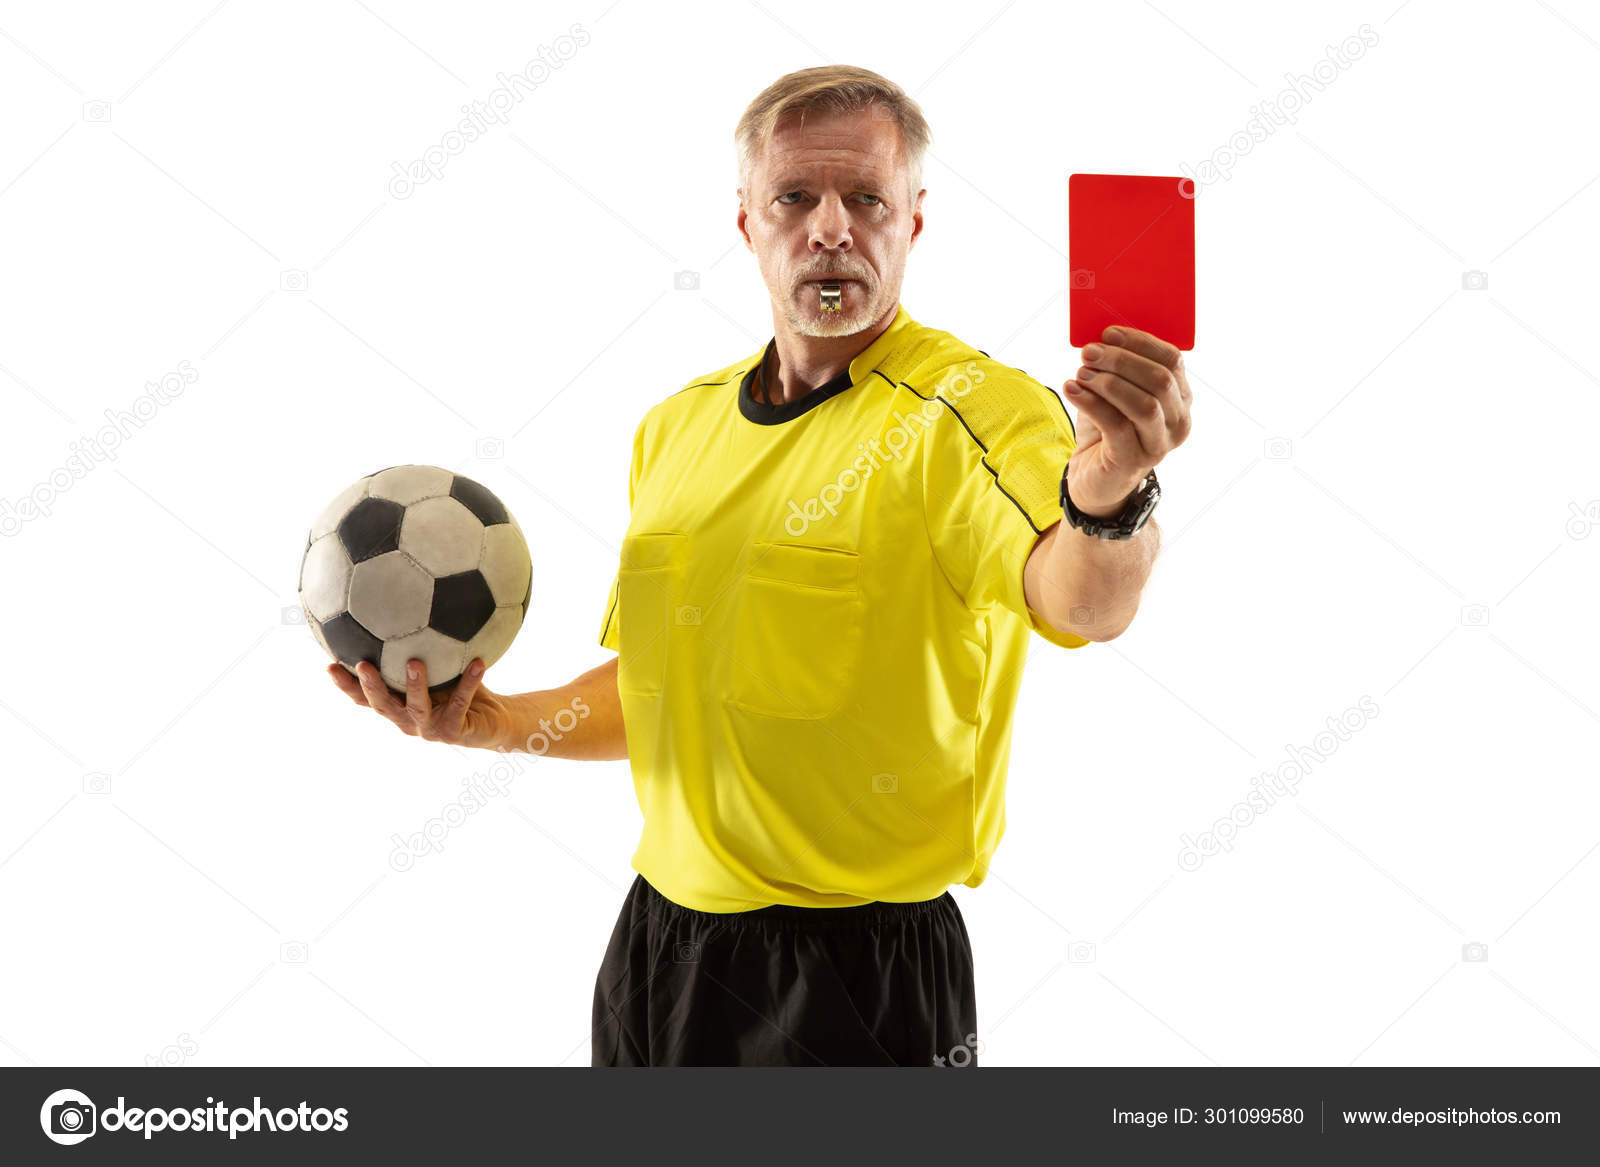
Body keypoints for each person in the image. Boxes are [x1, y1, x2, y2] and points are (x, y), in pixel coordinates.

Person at [328, 64, 1192, 1066]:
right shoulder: (675, 428)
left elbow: (1080, 602)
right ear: (748, 224)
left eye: (866, 197)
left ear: (912, 223)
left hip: (855, 972)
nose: (831, 227)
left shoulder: (973, 410)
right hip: (659, 947)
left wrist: (1115, 491)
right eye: (795, 197)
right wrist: (492, 724)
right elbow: (665, 687)